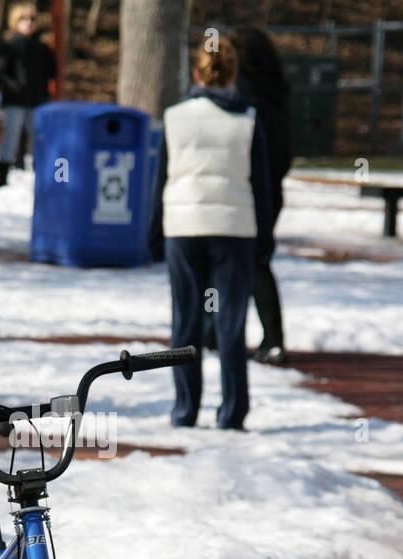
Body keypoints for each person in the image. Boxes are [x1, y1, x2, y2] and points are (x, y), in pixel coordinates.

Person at [150, 39, 272, 430]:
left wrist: (155, 232)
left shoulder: (175, 116)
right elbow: (262, 185)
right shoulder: (249, 118)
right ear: (233, 73)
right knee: (229, 324)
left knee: (185, 321)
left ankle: (185, 409)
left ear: (197, 73)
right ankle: (232, 411)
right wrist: (264, 237)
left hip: (184, 228)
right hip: (234, 230)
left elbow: (160, 179)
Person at [232, 28, 292, 366]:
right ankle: (271, 337)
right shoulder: (276, 91)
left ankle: (268, 338)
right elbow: (285, 150)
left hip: (249, 187)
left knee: (245, 263)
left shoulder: (245, 96)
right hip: (270, 188)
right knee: (255, 262)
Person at [0, 3, 55, 188]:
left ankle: (42, 180)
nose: (28, 23)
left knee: (40, 141)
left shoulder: (41, 47)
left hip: (37, 102)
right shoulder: (9, 45)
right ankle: (2, 181)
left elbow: (52, 72)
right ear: (15, 22)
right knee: (10, 140)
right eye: (23, 19)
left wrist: (49, 49)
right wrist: (14, 87)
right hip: (15, 101)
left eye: (32, 19)